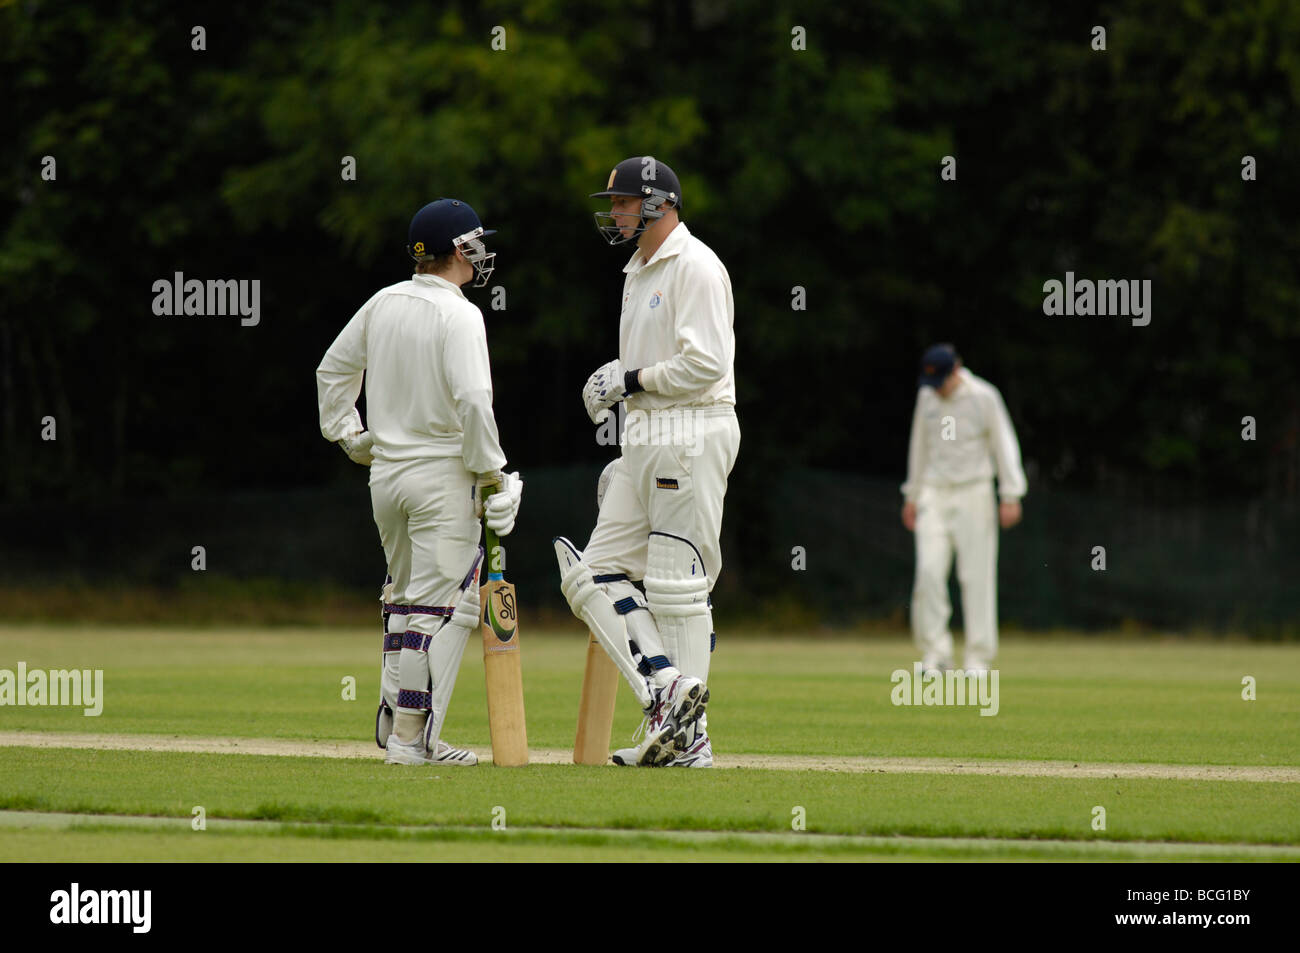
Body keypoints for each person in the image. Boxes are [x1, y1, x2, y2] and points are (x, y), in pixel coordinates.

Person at [316, 198, 523, 767]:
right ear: (459, 249)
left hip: (387, 478)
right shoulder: (460, 315)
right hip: (441, 476)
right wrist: (492, 475)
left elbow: (331, 370)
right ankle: (411, 741)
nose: (483, 253)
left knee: (405, 604)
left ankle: (396, 725)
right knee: (437, 610)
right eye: (477, 242)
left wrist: (351, 436)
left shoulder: (383, 303)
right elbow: (474, 401)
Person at [553, 156, 740, 768]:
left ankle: (690, 742)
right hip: (644, 437)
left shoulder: (695, 266)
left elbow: (706, 365)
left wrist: (627, 380)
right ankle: (666, 690)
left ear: (659, 202)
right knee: (593, 576)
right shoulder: (637, 268)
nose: (615, 212)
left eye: (625, 202)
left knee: (676, 590)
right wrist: (623, 392)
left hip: (690, 432)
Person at [901, 343, 1025, 674]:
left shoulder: (984, 396)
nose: (937, 388)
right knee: (928, 572)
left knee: (976, 575)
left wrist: (1011, 493)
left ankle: (978, 658)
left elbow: (1004, 443)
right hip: (934, 493)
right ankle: (936, 654)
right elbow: (919, 446)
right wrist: (912, 494)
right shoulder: (927, 397)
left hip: (975, 492)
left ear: (956, 371)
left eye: (942, 380)